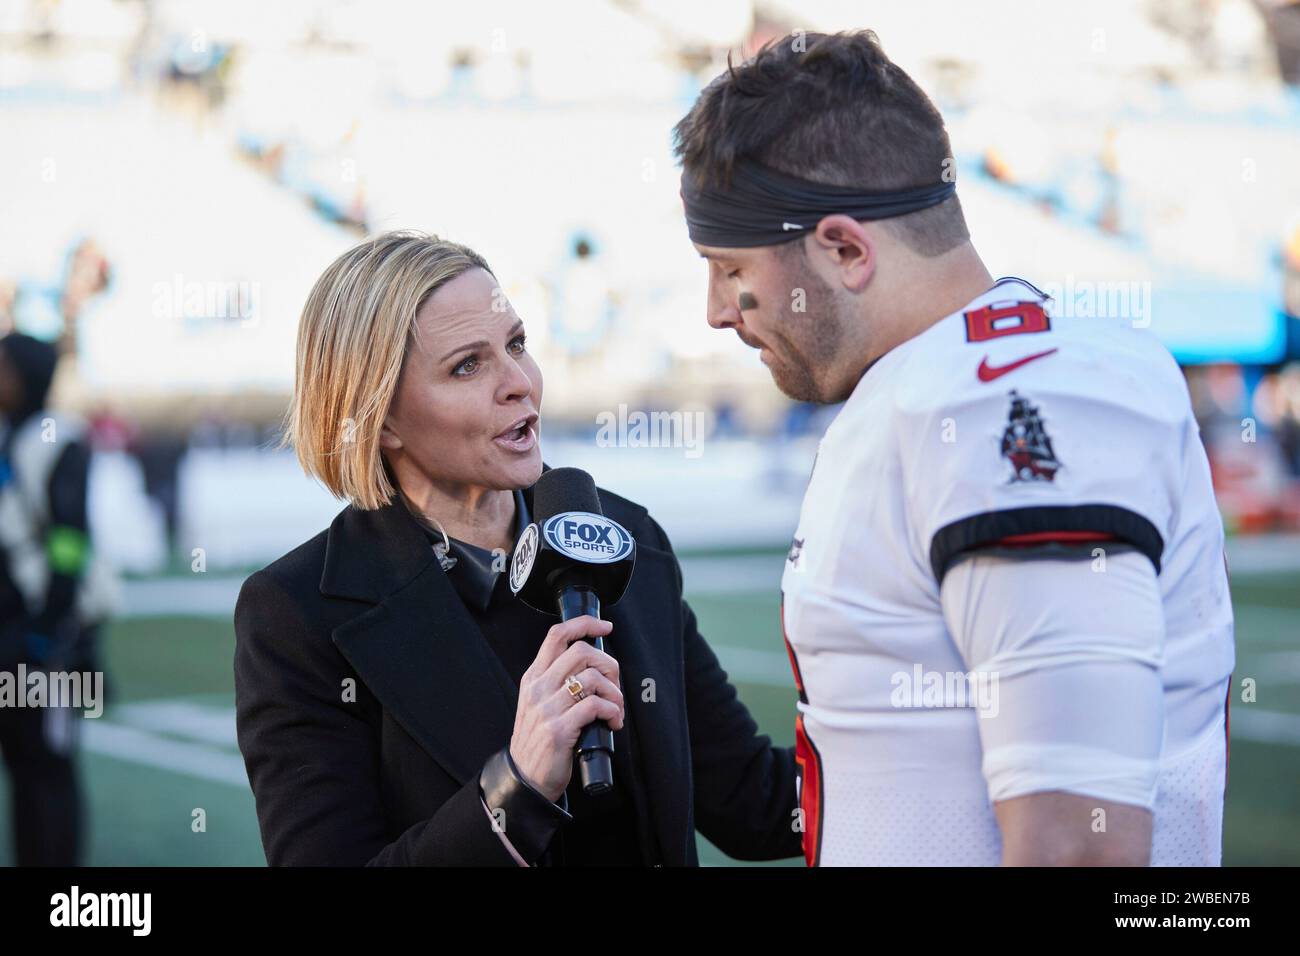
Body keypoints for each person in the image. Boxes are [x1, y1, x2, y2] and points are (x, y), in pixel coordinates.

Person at [673, 30, 1234, 866]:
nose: (717, 311)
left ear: (843, 250)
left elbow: (1082, 846)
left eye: (729, 268)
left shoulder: (1005, 396)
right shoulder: (939, 381)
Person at [233, 231, 801, 866]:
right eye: (466, 365)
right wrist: (517, 787)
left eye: (517, 344)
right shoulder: (298, 613)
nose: (519, 382)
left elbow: (753, 799)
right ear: (379, 417)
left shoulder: (626, 534)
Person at [0, 332, 114, 865]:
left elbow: (70, 538)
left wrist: (50, 625)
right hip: (12, 631)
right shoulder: (8, 433)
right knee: (22, 765)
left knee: (49, 765)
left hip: (46, 635)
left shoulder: (57, 437)